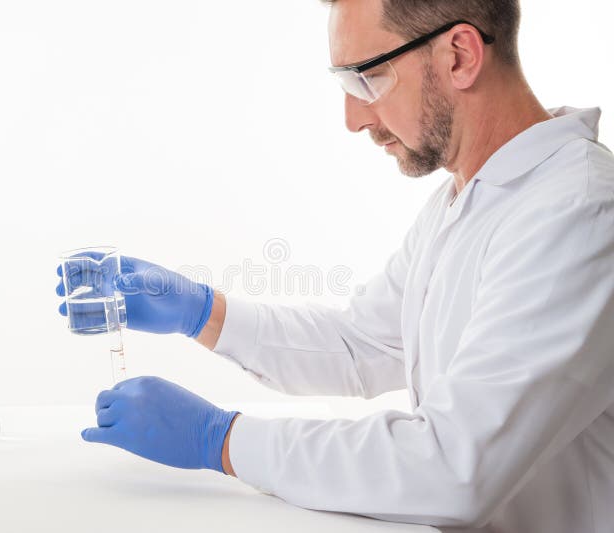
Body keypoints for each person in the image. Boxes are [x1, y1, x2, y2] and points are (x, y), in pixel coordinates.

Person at [56, 0, 614, 531]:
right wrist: (202, 313)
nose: (353, 117)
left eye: (366, 78)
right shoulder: (472, 198)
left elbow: (452, 468)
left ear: (460, 55)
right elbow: (364, 343)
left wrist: (222, 441)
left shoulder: (577, 211)